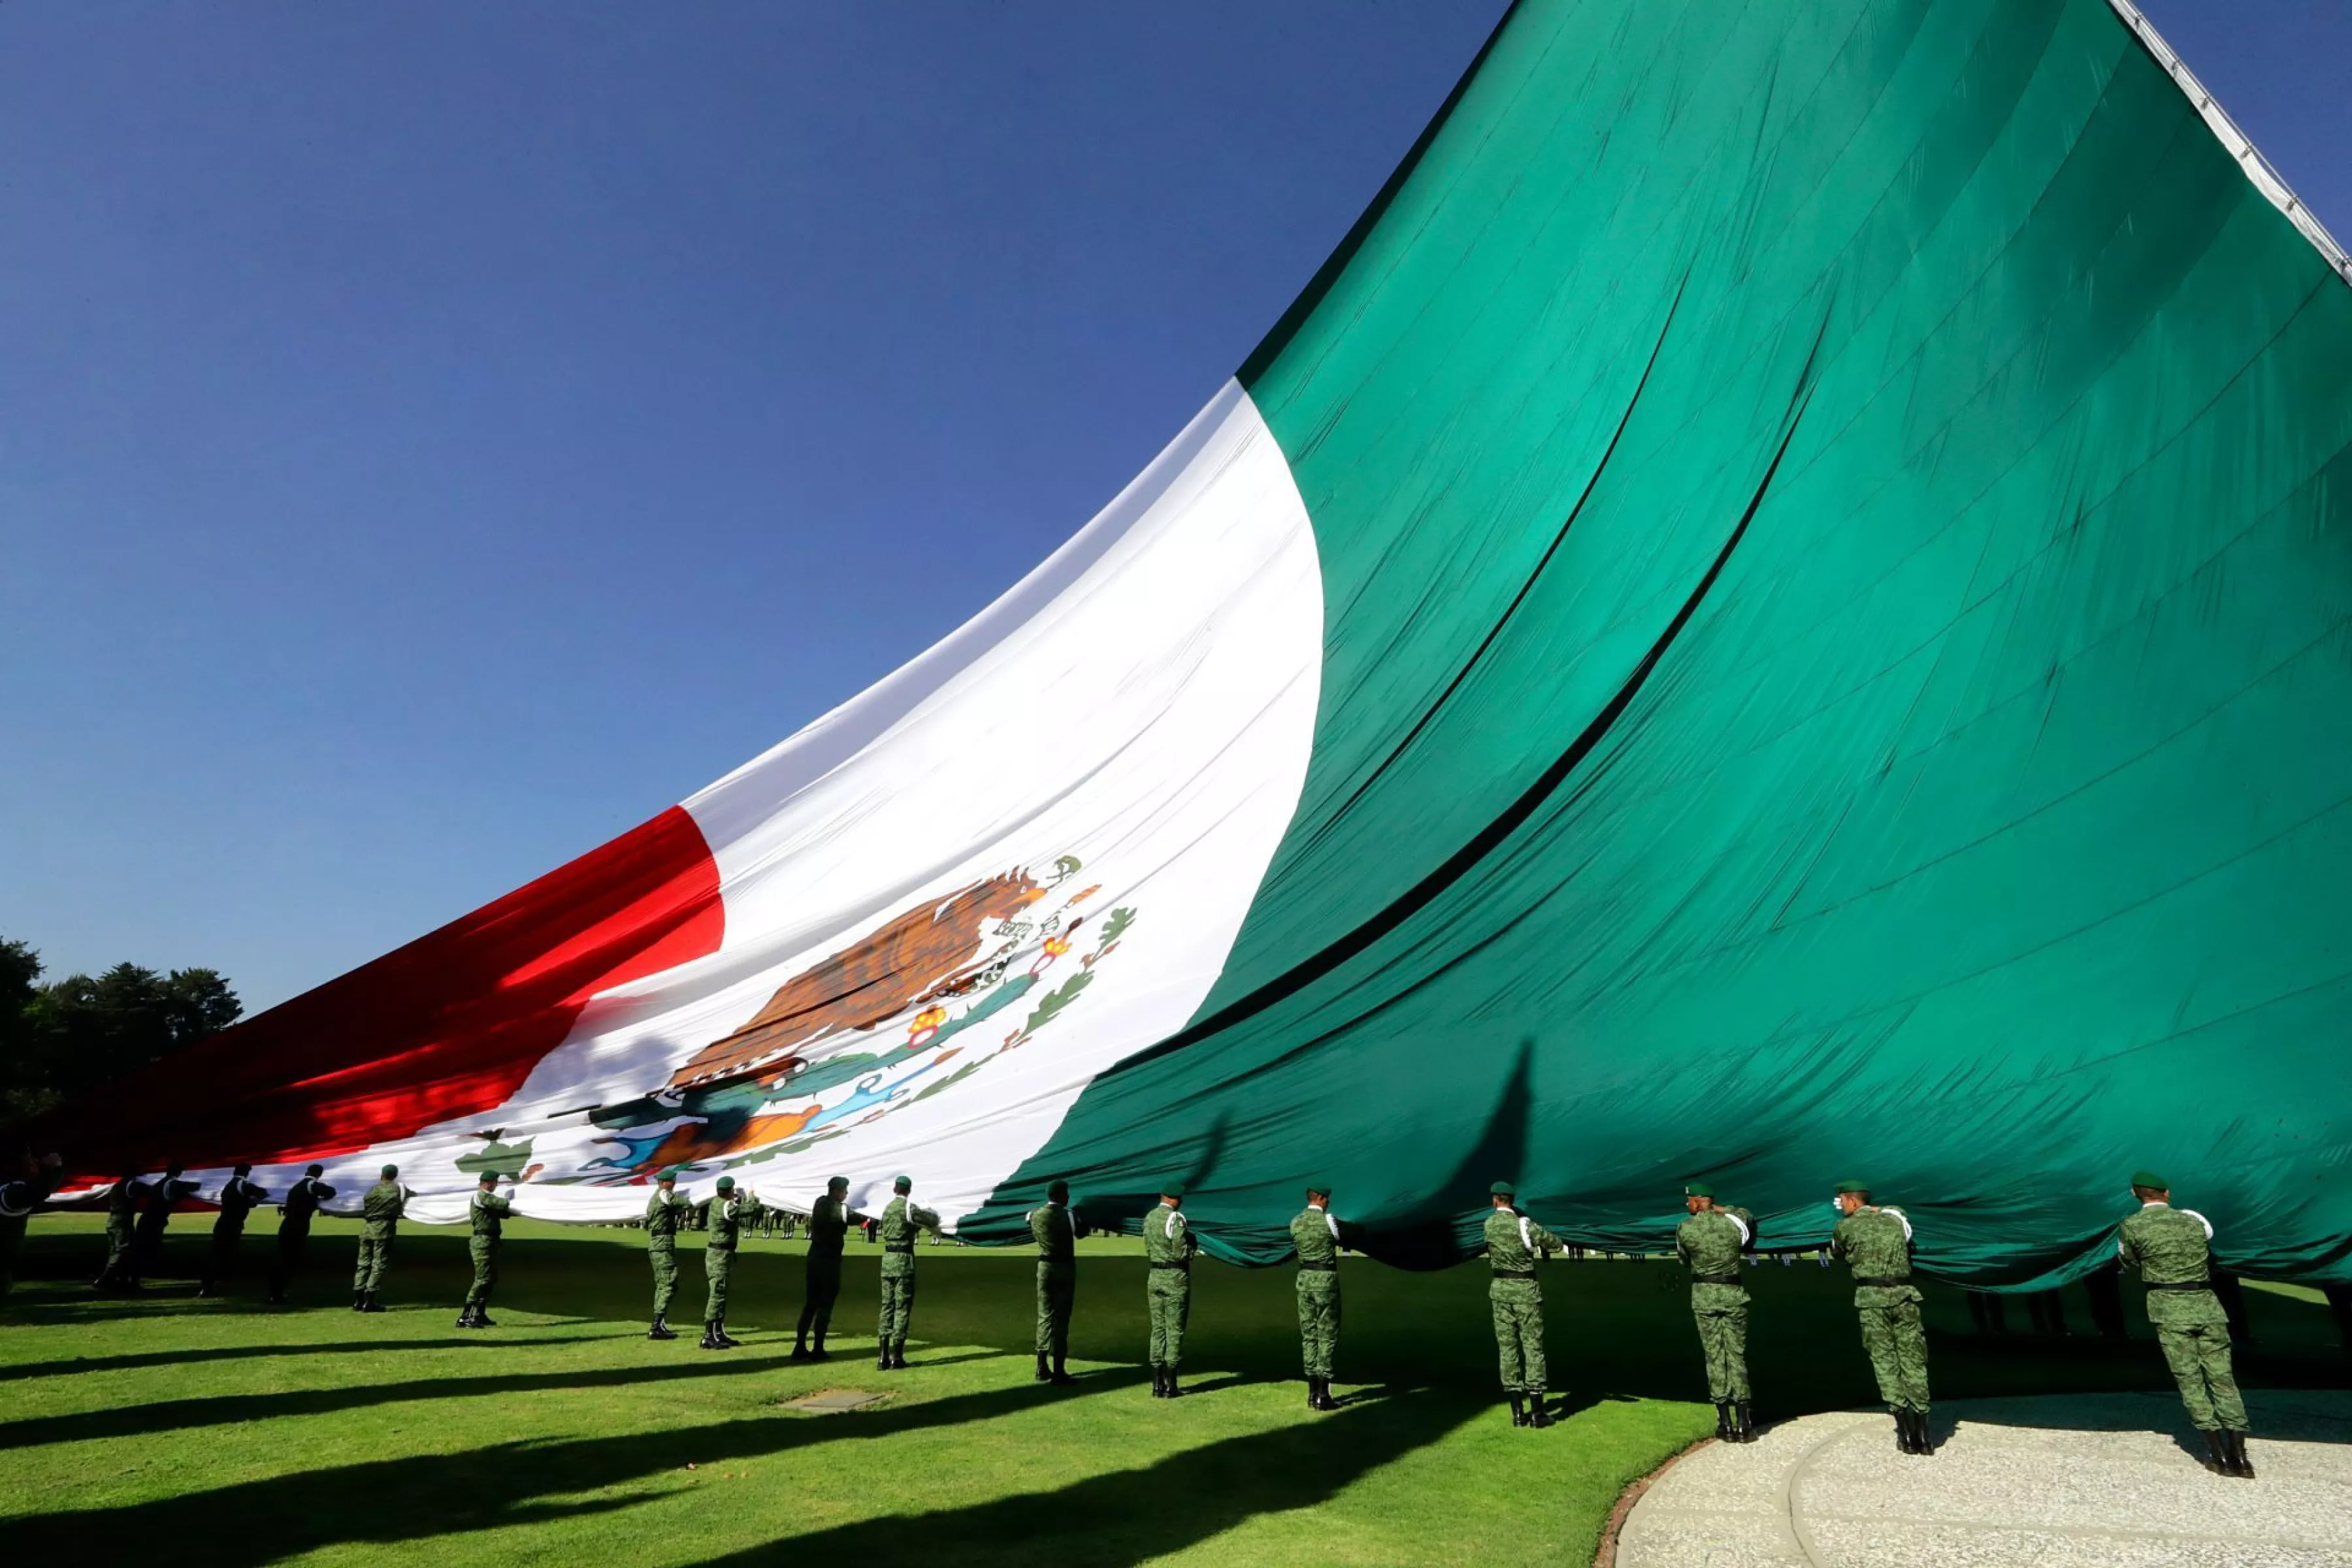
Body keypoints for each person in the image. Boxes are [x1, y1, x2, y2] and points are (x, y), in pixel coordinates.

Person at [2119, 1170, 2253, 1477]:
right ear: (2166, 1193)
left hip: (2168, 1308)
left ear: (2135, 1194)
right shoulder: (2194, 1220)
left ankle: (2217, 1455)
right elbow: (2209, 1246)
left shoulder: (2131, 1226)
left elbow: (2129, 1260)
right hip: (2206, 1305)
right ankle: (2241, 1457)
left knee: (2190, 1380)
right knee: (2223, 1379)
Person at [1830, 1180, 1931, 1454]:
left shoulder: (1844, 1227)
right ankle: (1924, 1433)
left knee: (1885, 1361)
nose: (1840, 1206)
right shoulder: (1895, 1218)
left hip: (1871, 1300)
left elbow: (1838, 1252)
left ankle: (1905, 1431)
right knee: (1914, 1360)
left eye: (1842, 1201)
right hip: (1905, 1296)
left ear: (1852, 1201)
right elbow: (1902, 1220)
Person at [1484, 1181, 1567, 1429]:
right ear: (1512, 1200)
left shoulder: (1488, 1225)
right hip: (1526, 1292)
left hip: (1500, 1292)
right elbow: (1556, 1244)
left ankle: (1518, 1413)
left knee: (1507, 1349)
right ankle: (1538, 1413)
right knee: (1533, 1348)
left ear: (1495, 1200)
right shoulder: (1524, 1225)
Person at [1677, 1182, 1754, 1442]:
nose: (1687, 1205)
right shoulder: (1734, 1223)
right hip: (1734, 1295)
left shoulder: (1686, 1227)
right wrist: (1723, 1209)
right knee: (1736, 1355)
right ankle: (1744, 1422)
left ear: (1698, 1201)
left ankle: (1725, 1423)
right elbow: (1746, 1216)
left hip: (1704, 1297)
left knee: (1714, 1356)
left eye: (1690, 1200)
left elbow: (1684, 1260)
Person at [792, 1176, 864, 1362]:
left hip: (815, 1256)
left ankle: (800, 1346)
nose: (847, 1194)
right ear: (837, 1191)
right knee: (825, 1304)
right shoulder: (834, 1207)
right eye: (845, 1191)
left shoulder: (820, 1202)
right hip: (828, 1259)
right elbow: (852, 1217)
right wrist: (868, 1215)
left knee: (811, 1304)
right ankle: (818, 1348)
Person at [875, 1174, 939, 1369]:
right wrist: (929, 1212)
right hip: (903, 1261)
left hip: (887, 1260)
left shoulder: (887, 1208)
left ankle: (882, 1357)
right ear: (909, 1190)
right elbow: (932, 1220)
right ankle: (897, 1357)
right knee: (902, 1308)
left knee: (887, 1306)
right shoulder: (909, 1208)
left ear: (895, 1189)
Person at [1290, 1181, 1345, 1411]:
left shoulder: (1295, 1222)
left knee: (1309, 1335)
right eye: (1327, 1198)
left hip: (1304, 1280)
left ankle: (1312, 1393)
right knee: (1327, 1335)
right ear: (1321, 1198)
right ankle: (1324, 1394)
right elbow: (1344, 1236)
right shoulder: (1329, 1220)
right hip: (1325, 1281)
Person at [1028, 1179, 1085, 1385]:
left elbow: (1028, 1219)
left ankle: (1041, 1366)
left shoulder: (1034, 1214)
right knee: (1061, 1319)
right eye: (1066, 1193)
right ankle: (1059, 1371)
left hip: (1044, 1267)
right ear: (1060, 1195)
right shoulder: (1068, 1215)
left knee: (1044, 1316)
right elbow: (1082, 1233)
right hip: (1064, 1268)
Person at [1143, 1181, 1196, 1397]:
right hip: (1174, 1277)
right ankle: (1171, 1384)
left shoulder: (1149, 1217)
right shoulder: (1175, 1218)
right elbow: (1180, 1252)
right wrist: (1192, 1247)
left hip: (1154, 1275)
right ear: (1173, 1198)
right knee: (1174, 1329)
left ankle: (1156, 1382)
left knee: (1158, 1329)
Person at [197, 1164, 272, 1297]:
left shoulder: (230, 1186)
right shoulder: (241, 1184)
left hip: (224, 1223)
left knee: (219, 1254)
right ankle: (211, 1284)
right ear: (247, 1173)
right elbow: (262, 1193)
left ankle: (211, 1284)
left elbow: (242, 1202)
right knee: (223, 1255)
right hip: (232, 1225)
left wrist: (250, 1202)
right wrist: (256, 1199)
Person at [268, 1164, 336, 1304]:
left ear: (307, 1172)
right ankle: (277, 1293)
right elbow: (331, 1192)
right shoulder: (311, 1185)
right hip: (298, 1226)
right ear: (319, 1175)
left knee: (283, 1258)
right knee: (289, 1259)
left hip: (287, 1225)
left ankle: (276, 1291)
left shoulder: (296, 1187)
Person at [458, 1171, 517, 1328]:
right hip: (482, 1243)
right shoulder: (482, 1196)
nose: (496, 1185)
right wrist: (511, 1198)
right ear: (489, 1182)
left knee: (491, 1279)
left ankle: (479, 1314)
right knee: (482, 1280)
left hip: (491, 1241)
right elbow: (502, 1204)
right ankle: (465, 1317)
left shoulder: (487, 1199)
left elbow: (504, 1214)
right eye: (496, 1182)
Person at [1, 1151, 63, 1298]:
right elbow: (39, 1192)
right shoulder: (12, 1193)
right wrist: (53, 1168)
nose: (36, 1162)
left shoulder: (8, 1187)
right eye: (31, 1161)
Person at [131, 1162, 199, 1285]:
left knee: (142, 1248)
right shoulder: (171, 1184)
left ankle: (136, 1275)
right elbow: (190, 1187)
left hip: (147, 1219)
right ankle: (138, 1276)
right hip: (154, 1221)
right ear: (179, 1173)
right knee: (149, 1248)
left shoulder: (161, 1183)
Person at [700, 1175, 745, 1350]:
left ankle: (719, 1332)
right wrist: (752, 1198)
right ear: (730, 1191)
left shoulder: (717, 1203)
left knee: (721, 1294)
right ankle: (708, 1336)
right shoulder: (724, 1206)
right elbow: (747, 1210)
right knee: (717, 1294)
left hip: (721, 1254)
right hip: (719, 1255)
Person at [353, 1164, 405, 1312]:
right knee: (378, 1264)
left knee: (363, 1263)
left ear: (382, 1175)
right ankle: (369, 1301)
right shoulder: (397, 1189)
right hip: (384, 1229)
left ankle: (358, 1301)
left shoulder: (372, 1190)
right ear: (395, 1176)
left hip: (368, 1228)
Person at [644, 1168, 687, 1340]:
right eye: (673, 1181)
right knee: (668, 1283)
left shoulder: (657, 1196)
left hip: (658, 1244)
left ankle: (659, 1323)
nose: (675, 1183)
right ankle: (656, 1325)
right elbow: (686, 1203)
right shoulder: (664, 1195)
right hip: (662, 1244)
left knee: (663, 1284)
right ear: (664, 1183)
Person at [92, 1167, 146, 1290]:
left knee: (115, 1250)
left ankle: (120, 1279)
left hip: (113, 1221)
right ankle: (104, 1279)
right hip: (123, 1221)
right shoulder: (130, 1185)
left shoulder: (117, 1186)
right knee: (122, 1250)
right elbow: (148, 1191)